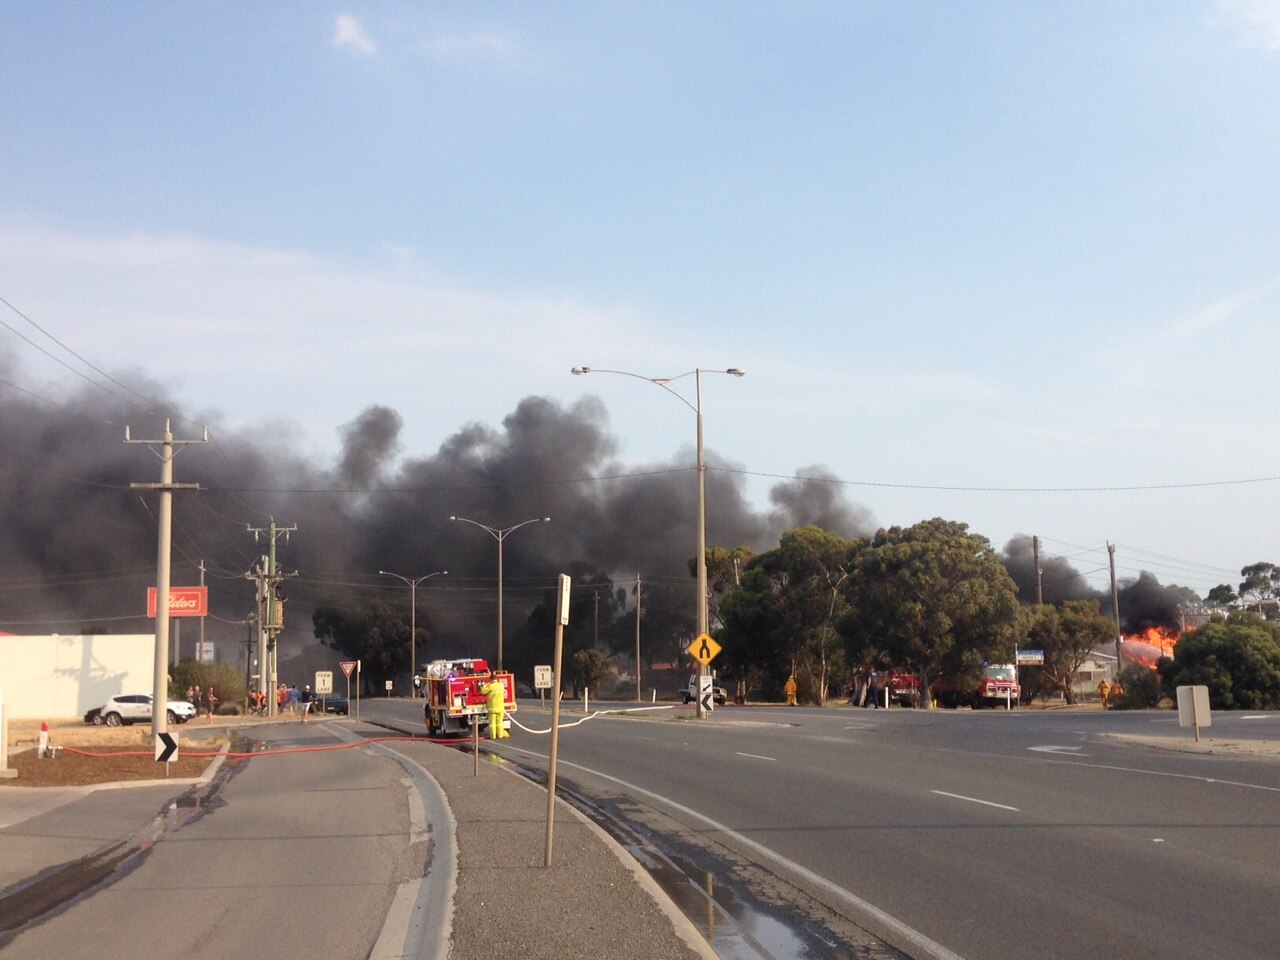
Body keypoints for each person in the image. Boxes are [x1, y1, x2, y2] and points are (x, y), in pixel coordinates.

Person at [480, 673, 509, 739]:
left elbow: (483, 691)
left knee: (492, 724)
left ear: (491, 679)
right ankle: (500, 735)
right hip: (500, 708)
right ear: (497, 678)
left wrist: (485, 685)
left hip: (492, 708)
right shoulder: (501, 685)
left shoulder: (490, 686)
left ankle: (493, 736)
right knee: (500, 723)